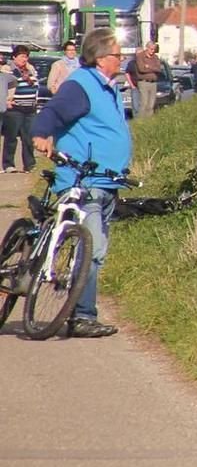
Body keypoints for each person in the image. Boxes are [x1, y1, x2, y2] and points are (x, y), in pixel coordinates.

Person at [29, 27, 129, 338]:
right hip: (85, 180)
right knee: (93, 248)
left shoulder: (108, 87)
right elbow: (53, 112)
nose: (122, 59)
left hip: (107, 181)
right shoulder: (82, 85)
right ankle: (83, 315)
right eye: (117, 55)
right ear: (100, 58)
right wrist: (40, 136)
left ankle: (76, 309)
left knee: (95, 248)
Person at [3, 45, 40, 171]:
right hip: (15, 108)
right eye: (22, 56)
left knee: (28, 138)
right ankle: (9, 164)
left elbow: (36, 84)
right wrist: (6, 100)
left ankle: (29, 164)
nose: (25, 59)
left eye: (26, 56)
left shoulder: (30, 69)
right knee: (11, 137)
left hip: (30, 109)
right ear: (14, 57)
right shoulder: (8, 69)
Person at [126, 41, 166, 122]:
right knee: (144, 103)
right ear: (147, 48)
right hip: (143, 82)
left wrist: (148, 67)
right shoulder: (140, 56)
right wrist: (152, 68)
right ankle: (140, 122)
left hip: (153, 83)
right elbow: (141, 69)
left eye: (154, 49)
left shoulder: (155, 57)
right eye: (151, 49)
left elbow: (159, 69)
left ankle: (149, 122)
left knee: (151, 105)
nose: (153, 51)